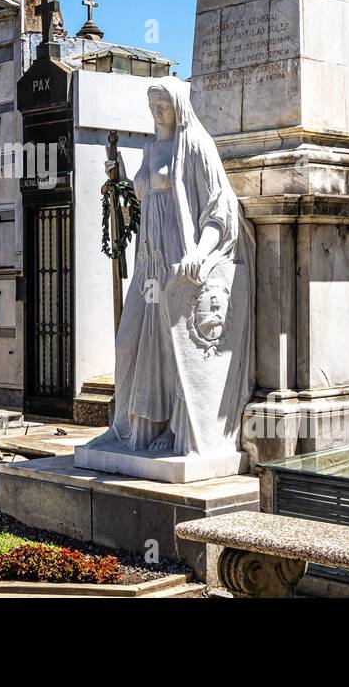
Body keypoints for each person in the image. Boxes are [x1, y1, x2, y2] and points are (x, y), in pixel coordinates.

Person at [88, 79, 254, 457]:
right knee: (130, 343)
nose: (158, 113)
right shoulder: (151, 148)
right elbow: (142, 202)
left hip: (180, 263)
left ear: (179, 105)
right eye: (153, 107)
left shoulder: (195, 145)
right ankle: (130, 429)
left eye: (163, 106)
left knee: (175, 347)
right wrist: (120, 181)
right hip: (150, 264)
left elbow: (219, 209)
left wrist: (200, 251)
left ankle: (175, 429)